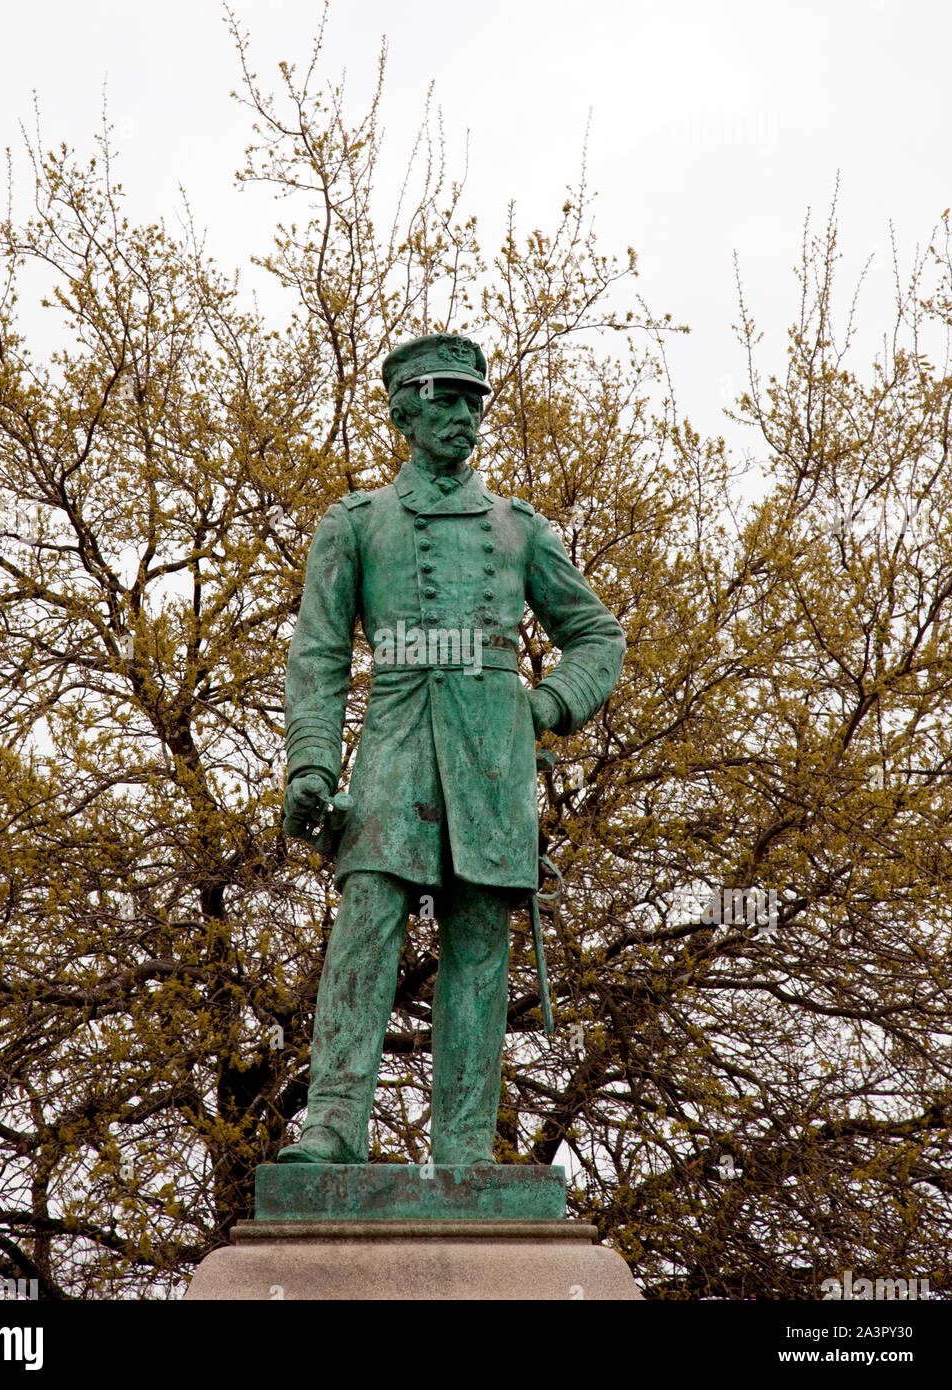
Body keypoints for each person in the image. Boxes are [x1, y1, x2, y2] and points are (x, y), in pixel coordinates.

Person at [278, 332, 625, 1164]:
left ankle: (466, 1145)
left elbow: (597, 637)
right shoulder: (355, 524)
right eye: (446, 400)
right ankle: (330, 1126)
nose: (464, 416)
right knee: (365, 922)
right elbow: (319, 655)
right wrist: (312, 763)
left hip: (491, 763)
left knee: (477, 945)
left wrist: (542, 707)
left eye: (475, 402)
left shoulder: (519, 530)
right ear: (405, 410)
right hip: (395, 747)